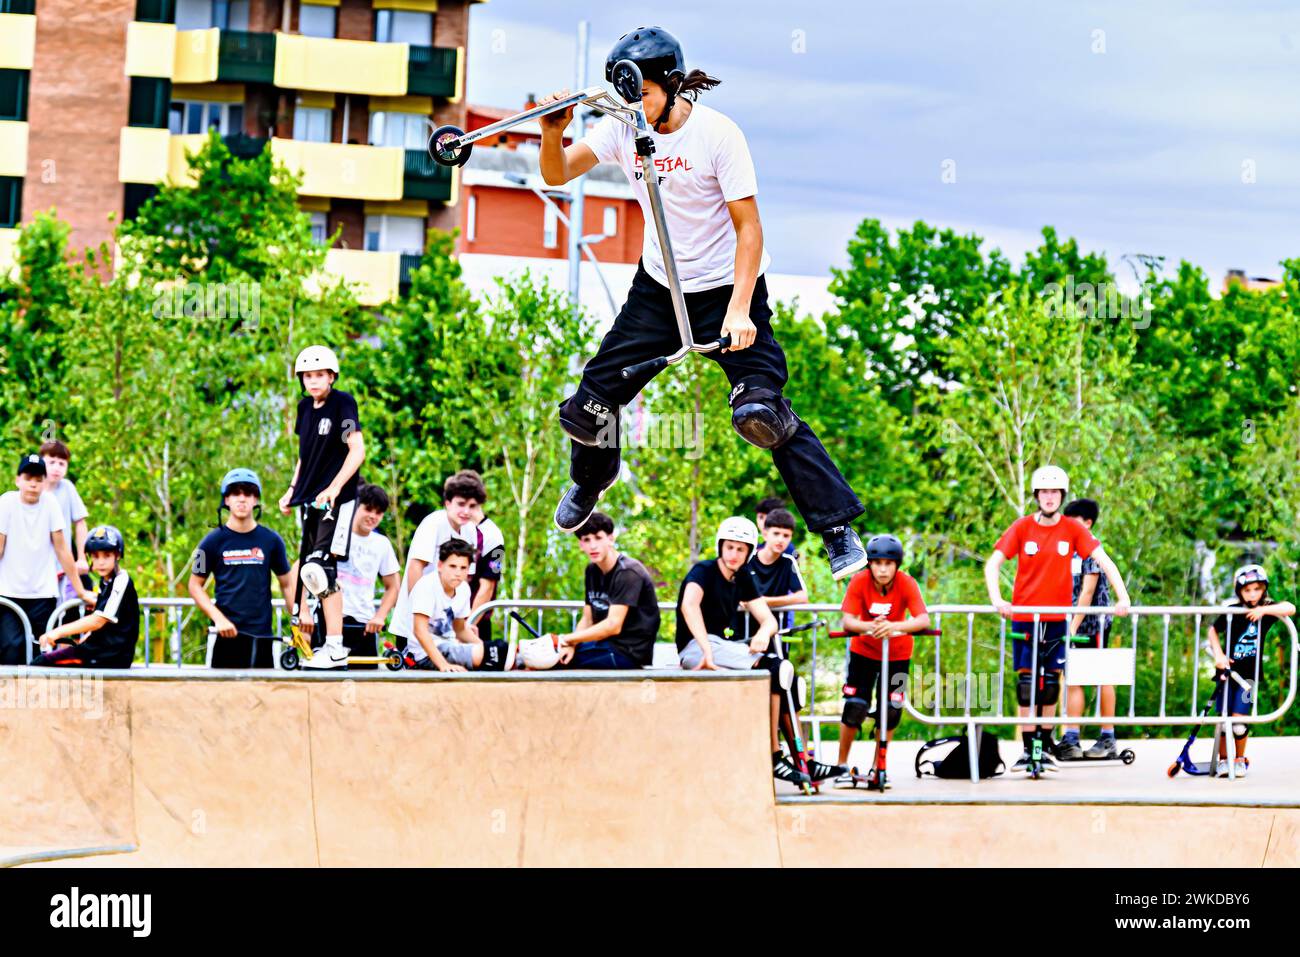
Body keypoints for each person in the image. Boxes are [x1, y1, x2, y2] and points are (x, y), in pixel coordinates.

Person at [539, 26, 867, 580]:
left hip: (727, 290)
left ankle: (836, 528)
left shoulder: (718, 135)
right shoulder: (622, 126)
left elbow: (751, 230)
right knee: (587, 408)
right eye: (626, 96)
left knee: (762, 415)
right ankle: (590, 480)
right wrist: (553, 133)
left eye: (641, 95)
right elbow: (556, 173)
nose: (632, 107)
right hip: (659, 291)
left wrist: (740, 310)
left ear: (671, 85)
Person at [984, 466, 1131, 772]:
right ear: (1037, 496)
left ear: (1061, 496)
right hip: (1025, 616)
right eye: (1044, 492)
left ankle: (1043, 744)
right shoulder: (1023, 527)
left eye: (1055, 493)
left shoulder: (1073, 529)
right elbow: (993, 563)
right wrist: (997, 599)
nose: (1049, 498)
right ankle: (1027, 749)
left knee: (1051, 684)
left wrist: (1123, 597)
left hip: (1056, 619)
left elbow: (1105, 562)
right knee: (1027, 684)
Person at [676, 515, 841, 785]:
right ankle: (775, 756)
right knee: (776, 668)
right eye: (729, 547)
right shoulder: (703, 571)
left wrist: (764, 633)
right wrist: (706, 649)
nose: (734, 554)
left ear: (749, 552)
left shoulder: (742, 577)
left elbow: (769, 620)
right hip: (695, 648)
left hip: (724, 647)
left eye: (740, 549)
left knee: (787, 676)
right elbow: (689, 606)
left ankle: (804, 762)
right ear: (720, 546)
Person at [278, 345, 366, 670]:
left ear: (331, 376)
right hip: (310, 500)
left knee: (320, 568)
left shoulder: (343, 404)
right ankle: (315, 638)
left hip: (337, 500)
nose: (314, 381)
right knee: (307, 569)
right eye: (308, 376)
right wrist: (292, 490)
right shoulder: (304, 408)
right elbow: (305, 456)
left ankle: (336, 646)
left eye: (320, 375)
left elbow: (356, 451)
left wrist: (335, 487)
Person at [833, 534, 930, 788]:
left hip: (898, 654)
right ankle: (841, 765)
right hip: (863, 651)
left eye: (889, 564)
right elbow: (848, 620)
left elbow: (923, 620)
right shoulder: (859, 581)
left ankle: (879, 767)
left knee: (891, 709)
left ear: (897, 565)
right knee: (855, 706)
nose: (883, 569)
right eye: (878, 563)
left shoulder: (907, 583)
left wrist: (893, 627)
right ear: (870, 565)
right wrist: (870, 627)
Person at [190, 468, 296, 668]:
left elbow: (288, 584)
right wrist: (218, 619)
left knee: (263, 698)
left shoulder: (272, 541)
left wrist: (298, 624)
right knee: (223, 699)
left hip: (262, 637)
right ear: (226, 500)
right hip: (226, 636)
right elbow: (194, 586)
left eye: (248, 493)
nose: (242, 499)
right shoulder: (209, 542)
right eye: (235, 493)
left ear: (256, 500)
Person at [0, 454, 95, 664]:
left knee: (39, 652)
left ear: (44, 482)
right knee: (10, 649)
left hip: (43, 593)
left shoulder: (50, 504)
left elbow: (62, 549)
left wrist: (80, 590)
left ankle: (35, 697)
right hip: (8, 592)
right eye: (28, 478)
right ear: (18, 480)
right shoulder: (6, 502)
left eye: (38, 479)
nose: (33, 484)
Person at [1207, 564, 1295, 778]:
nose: (1252, 594)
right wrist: (1218, 656)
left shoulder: (1264, 611)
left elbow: (1290, 607)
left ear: (1263, 589)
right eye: (1247, 590)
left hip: (1248, 677)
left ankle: (1239, 759)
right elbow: (1212, 630)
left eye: (1257, 589)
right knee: (1224, 721)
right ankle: (1223, 761)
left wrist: (1264, 610)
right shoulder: (1233, 610)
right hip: (1227, 673)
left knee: (1238, 722)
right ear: (1239, 591)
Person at [552, 511, 659, 669]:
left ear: (611, 538)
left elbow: (613, 625)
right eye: (586, 540)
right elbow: (587, 619)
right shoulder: (591, 571)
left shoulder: (628, 572)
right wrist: (570, 645)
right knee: (554, 654)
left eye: (598, 537)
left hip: (628, 652)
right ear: (581, 545)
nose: (593, 545)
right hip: (604, 646)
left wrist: (568, 639)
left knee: (553, 660)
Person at [389, 470, 482, 651]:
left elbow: (464, 579)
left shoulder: (470, 530)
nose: (465, 511)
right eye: (461, 504)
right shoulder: (434, 524)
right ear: (448, 503)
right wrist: (420, 616)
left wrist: (462, 621)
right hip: (417, 623)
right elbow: (416, 567)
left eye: (472, 506)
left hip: (444, 625)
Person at [1057, 498, 1118, 759]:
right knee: (1072, 677)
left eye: (1074, 522)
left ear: (1088, 523)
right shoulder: (1067, 548)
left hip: (1093, 623)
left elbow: (1088, 591)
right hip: (1070, 623)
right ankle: (1071, 737)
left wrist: (1073, 626)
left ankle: (1108, 736)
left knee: (1101, 675)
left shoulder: (1091, 548)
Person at [32, 525, 138, 668]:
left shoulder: (121, 580)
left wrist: (55, 633)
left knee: (41, 663)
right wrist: (84, 640)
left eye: (107, 555)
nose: (101, 562)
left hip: (109, 655)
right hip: (97, 651)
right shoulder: (106, 581)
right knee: (46, 661)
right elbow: (103, 624)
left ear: (118, 555)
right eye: (95, 556)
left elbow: (98, 621)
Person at [331, 483, 401, 670]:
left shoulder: (382, 544)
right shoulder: (333, 535)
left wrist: (380, 616)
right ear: (355, 506)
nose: (372, 516)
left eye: (378, 512)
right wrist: (304, 610)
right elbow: (306, 569)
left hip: (364, 625)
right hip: (331, 623)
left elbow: (393, 586)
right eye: (368, 509)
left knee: (365, 686)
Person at [407, 539, 483, 672]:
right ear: (440, 565)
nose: (458, 573)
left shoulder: (464, 589)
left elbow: (459, 630)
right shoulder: (427, 585)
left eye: (463, 568)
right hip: (424, 654)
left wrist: (481, 645)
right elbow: (419, 630)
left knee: (496, 651)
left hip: (450, 646)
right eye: (452, 566)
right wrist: (443, 665)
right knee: (484, 655)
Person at [734, 506, 806, 637]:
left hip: (776, 634)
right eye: (776, 533)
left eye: (786, 535)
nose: (781, 540)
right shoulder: (747, 560)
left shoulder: (788, 562)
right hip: (743, 633)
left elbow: (802, 597)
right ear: (765, 534)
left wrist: (762, 601)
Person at [41, 440, 91, 606]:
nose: (56, 468)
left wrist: (82, 558)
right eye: (51, 462)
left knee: (63, 608)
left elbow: (80, 522)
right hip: (37, 566)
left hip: (62, 565)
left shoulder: (67, 488)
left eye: (62, 464)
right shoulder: (32, 488)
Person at [467, 499, 505, 645]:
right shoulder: (455, 527)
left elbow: (488, 587)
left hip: (476, 623)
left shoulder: (494, 536)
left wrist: (469, 624)